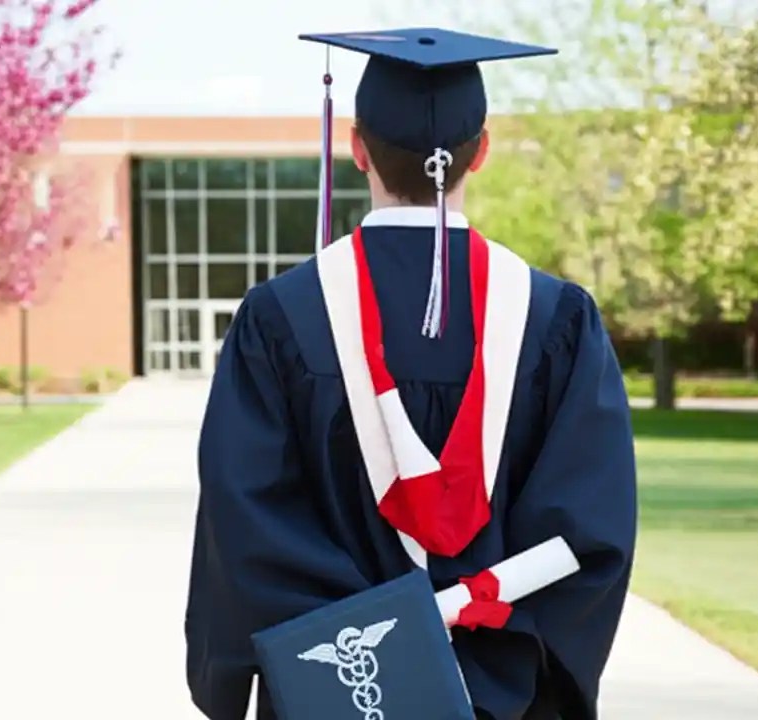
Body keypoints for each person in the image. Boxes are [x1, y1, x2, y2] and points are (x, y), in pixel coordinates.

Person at [185, 28, 637, 720]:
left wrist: (376, 648)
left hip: (339, 691)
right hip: (506, 697)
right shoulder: (557, 320)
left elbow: (245, 522)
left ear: (357, 147)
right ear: (480, 151)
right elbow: (589, 530)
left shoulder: (280, 317)